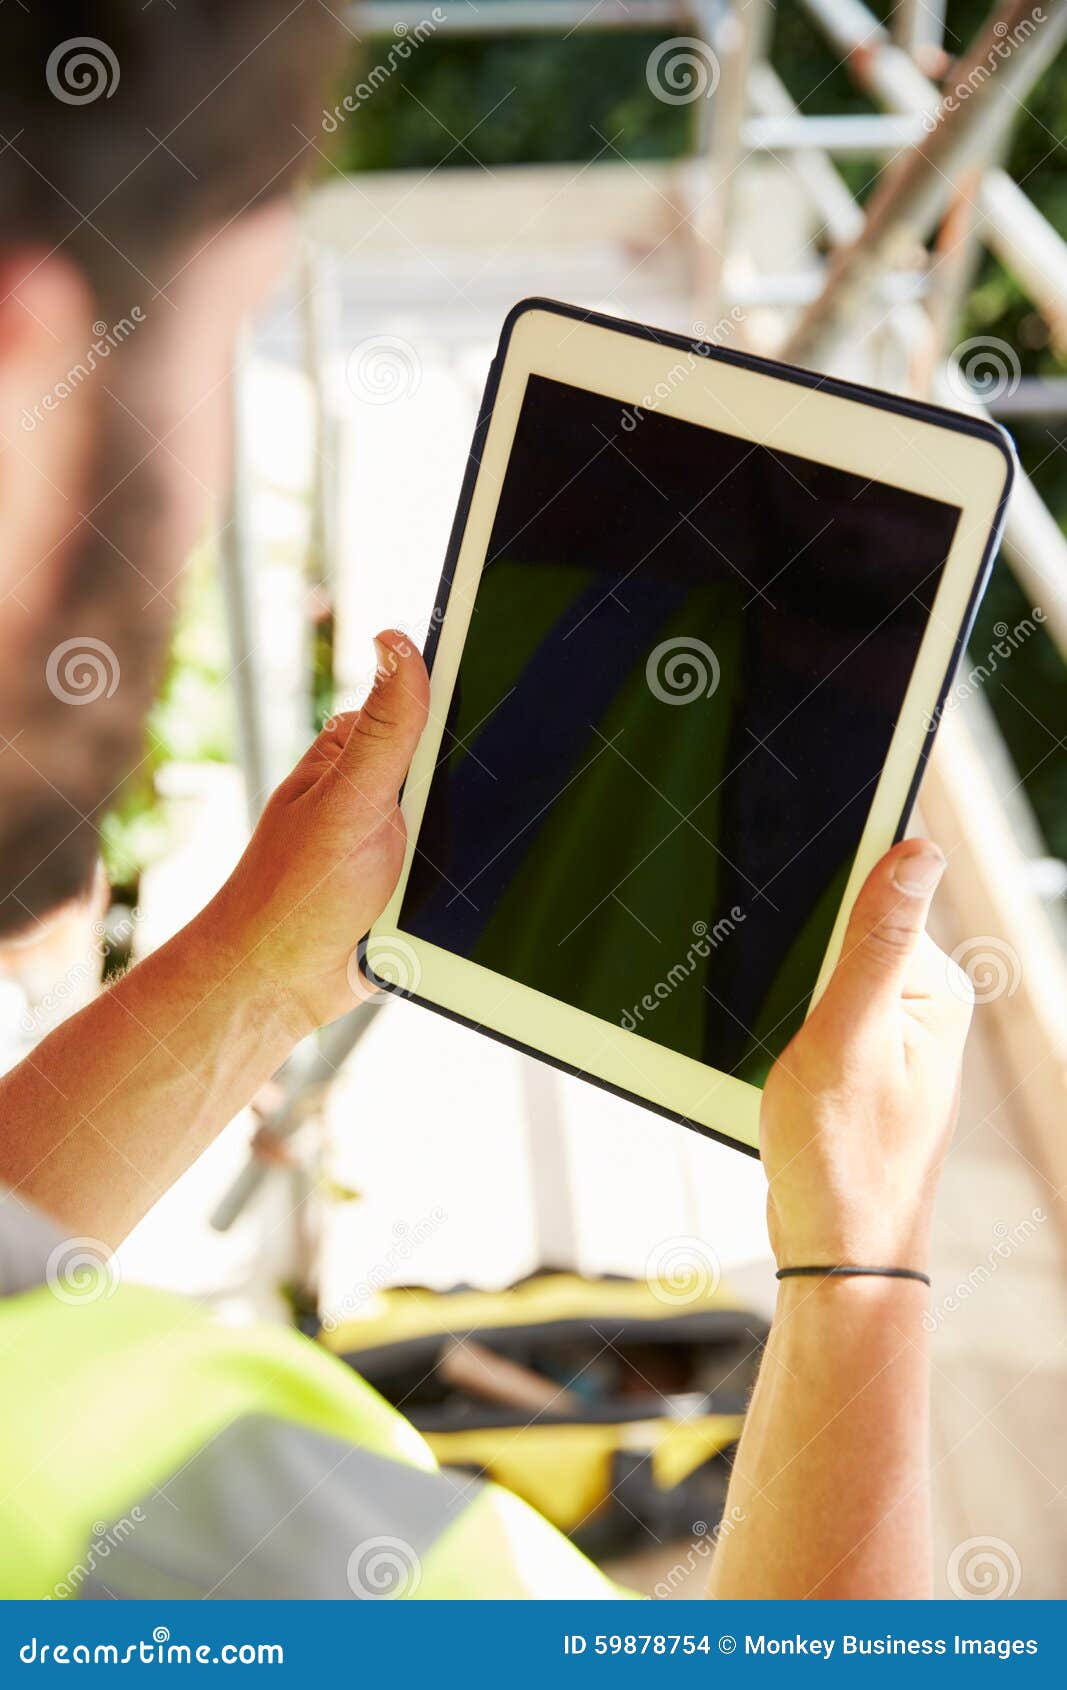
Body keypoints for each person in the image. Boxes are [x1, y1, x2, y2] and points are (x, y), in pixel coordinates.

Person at [0, 2, 973, 1599]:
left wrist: (254, 972)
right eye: (215, 346)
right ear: (28, 369)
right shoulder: (214, 1544)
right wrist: (863, 1259)